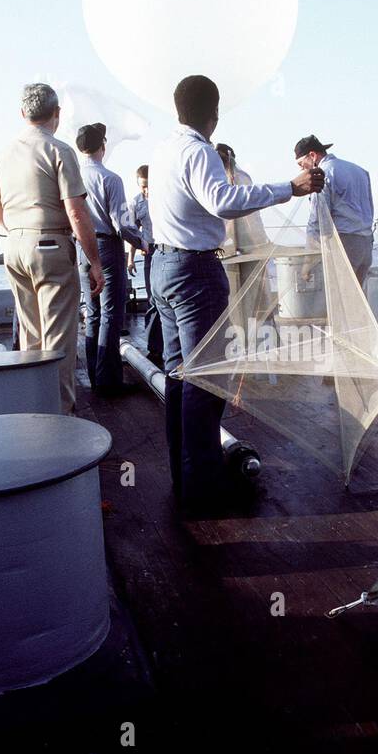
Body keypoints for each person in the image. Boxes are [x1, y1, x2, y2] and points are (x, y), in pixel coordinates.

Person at [150, 75, 324, 514]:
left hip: (162, 267)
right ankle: (206, 489)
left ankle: (185, 478)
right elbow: (222, 201)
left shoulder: (164, 150)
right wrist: (290, 188)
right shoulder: (198, 150)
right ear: (215, 112)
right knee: (204, 381)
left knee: (177, 376)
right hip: (194, 271)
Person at [0, 83, 104, 415]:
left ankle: (34, 412)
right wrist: (95, 262)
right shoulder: (59, 150)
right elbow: (76, 212)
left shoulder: (4, 154)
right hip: (51, 247)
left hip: (14, 247)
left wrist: (22, 234)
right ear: (57, 114)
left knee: (32, 339)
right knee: (58, 343)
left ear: (23, 114)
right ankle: (60, 420)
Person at [75, 121, 142, 396]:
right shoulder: (111, 179)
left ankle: (95, 376)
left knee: (92, 314)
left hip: (81, 247)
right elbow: (122, 223)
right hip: (106, 247)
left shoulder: (73, 178)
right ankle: (109, 381)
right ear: (103, 146)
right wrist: (143, 243)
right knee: (112, 314)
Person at [295, 135, 375, 286]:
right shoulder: (360, 171)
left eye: (301, 163)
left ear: (312, 156)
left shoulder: (321, 174)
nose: (301, 169)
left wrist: (307, 263)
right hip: (365, 244)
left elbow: (317, 219)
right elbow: (369, 207)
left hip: (345, 245)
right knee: (356, 300)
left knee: (340, 301)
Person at [127, 165, 163, 365]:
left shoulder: (165, 197)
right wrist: (130, 258)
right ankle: (155, 348)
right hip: (150, 253)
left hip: (168, 250)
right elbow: (133, 231)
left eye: (148, 185)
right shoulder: (135, 203)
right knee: (152, 301)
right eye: (143, 187)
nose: (146, 190)